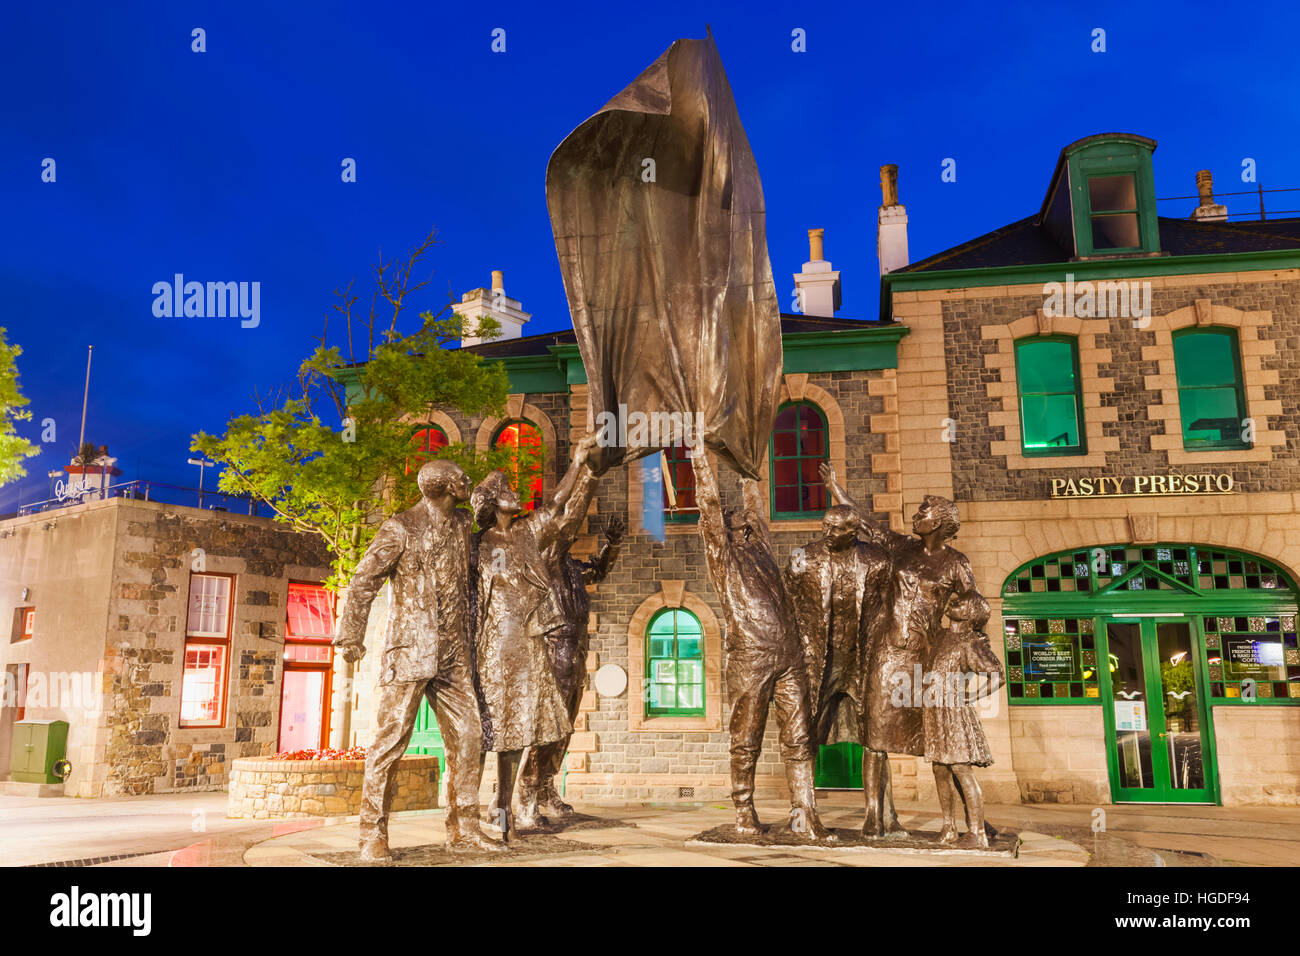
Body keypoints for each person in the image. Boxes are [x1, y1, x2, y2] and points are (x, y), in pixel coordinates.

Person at [334, 459, 499, 861]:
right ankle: (372, 835)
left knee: (469, 736)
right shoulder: (400, 528)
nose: (467, 481)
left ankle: (464, 829)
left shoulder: (462, 523)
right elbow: (363, 580)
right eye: (461, 478)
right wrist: (351, 635)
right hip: (409, 650)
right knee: (389, 744)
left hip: (453, 653)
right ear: (444, 487)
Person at [819, 461, 984, 838]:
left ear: (940, 522)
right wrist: (835, 489)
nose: (917, 516)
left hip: (926, 661)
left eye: (924, 513)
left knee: (939, 743)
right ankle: (874, 815)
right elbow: (865, 525)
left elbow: (977, 607)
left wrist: (967, 652)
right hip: (885, 653)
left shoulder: (957, 563)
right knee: (874, 738)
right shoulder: (901, 547)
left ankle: (960, 824)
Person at [690, 435, 835, 842]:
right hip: (750, 657)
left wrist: (746, 460)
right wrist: (701, 454)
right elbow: (709, 504)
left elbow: (753, 499)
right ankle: (743, 811)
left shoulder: (763, 548)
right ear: (726, 530)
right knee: (746, 738)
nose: (747, 523)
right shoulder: (724, 555)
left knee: (800, 736)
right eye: (738, 522)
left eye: (749, 523)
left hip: (789, 655)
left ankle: (805, 813)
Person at [471, 433, 599, 840]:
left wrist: (578, 461)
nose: (515, 492)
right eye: (506, 489)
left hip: (528, 639)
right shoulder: (477, 544)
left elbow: (558, 504)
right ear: (493, 502)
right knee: (486, 729)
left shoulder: (527, 532)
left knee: (517, 731)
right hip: (493, 642)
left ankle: (504, 808)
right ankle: (464, 809)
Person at [514, 513, 625, 827]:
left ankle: (547, 787)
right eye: (565, 532)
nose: (571, 535)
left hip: (577, 648)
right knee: (548, 726)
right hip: (555, 646)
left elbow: (599, 571)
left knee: (565, 728)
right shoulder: (541, 563)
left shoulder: (573, 567)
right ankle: (526, 795)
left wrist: (612, 545)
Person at [784, 504, 891, 820]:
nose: (827, 533)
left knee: (875, 734)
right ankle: (803, 811)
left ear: (853, 531)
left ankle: (877, 813)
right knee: (804, 730)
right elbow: (787, 598)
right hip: (818, 659)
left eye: (836, 529)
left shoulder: (877, 561)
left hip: (862, 658)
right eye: (825, 526)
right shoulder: (801, 557)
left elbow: (890, 607)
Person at [923, 591, 1004, 847]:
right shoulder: (942, 637)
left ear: (970, 614)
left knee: (961, 769)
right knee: (939, 769)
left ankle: (977, 833)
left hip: (954, 712)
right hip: (935, 710)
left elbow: (998, 675)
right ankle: (948, 827)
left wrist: (971, 696)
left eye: (961, 603)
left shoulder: (971, 641)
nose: (953, 602)